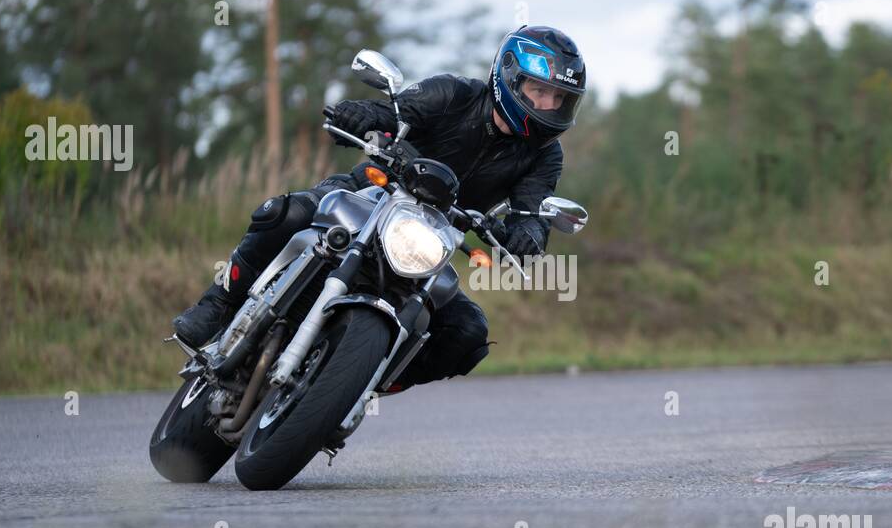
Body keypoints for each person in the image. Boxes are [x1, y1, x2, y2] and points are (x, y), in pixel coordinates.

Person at [172, 24, 587, 387]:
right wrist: (360, 116)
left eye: (558, 97)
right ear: (510, 79)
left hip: (431, 240)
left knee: (466, 333)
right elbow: (394, 112)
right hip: (371, 195)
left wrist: (526, 236)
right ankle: (219, 303)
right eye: (539, 91)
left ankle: (361, 382)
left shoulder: (545, 155)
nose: (548, 106)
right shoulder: (454, 93)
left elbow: (532, 213)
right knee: (287, 214)